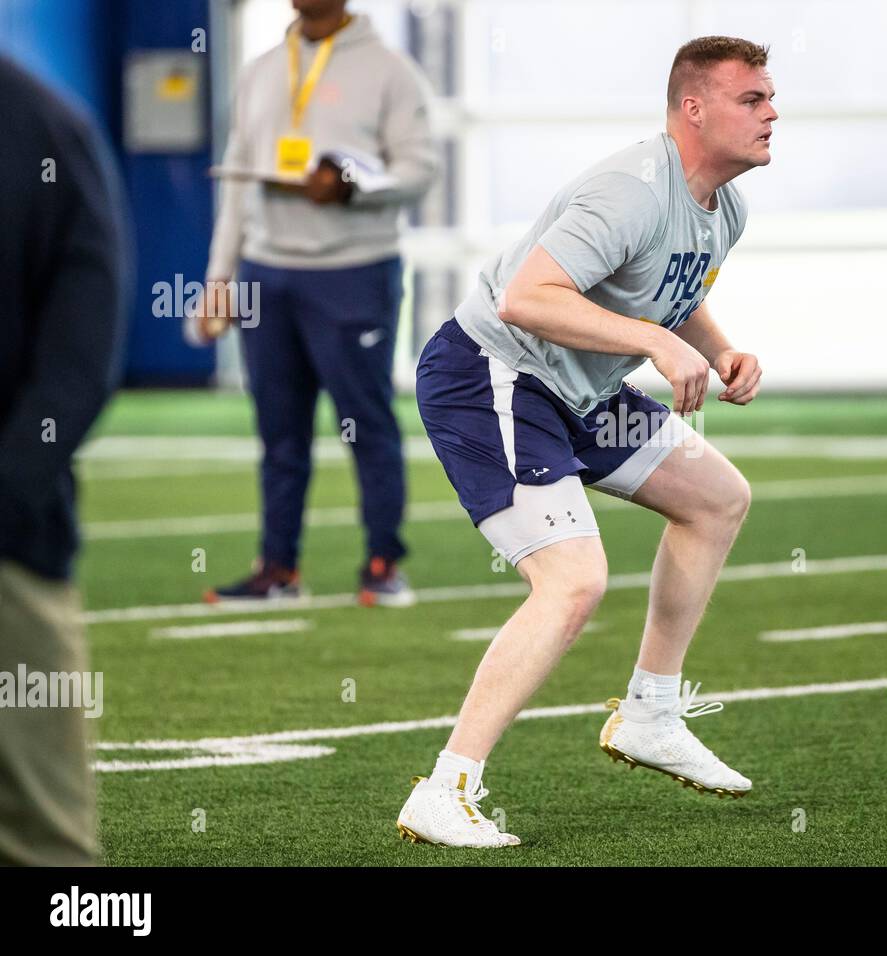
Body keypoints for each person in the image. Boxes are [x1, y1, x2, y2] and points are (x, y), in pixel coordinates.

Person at [397, 36, 775, 848]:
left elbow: (667, 289)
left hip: (582, 388)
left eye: (770, 98)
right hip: (491, 373)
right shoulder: (632, 190)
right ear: (694, 109)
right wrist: (659, 342)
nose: (772, 113)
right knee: (572, 581)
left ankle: (650, 712)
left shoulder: (727, 208)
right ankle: (446, 787)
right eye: (753, 100)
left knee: (717, 499)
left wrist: (714, 348)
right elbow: (529, 298)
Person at [194, 0, 437, 607]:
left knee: (367, 423)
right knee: (279, 432)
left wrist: (349, 185)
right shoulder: (262, 68)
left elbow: (420, 170)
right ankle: (277, 570)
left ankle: (383, 564)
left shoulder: (390, 70)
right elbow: (238, 180)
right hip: (268, 272)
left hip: (352, 271)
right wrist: (219, 276)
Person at [0, 56, 130, 864]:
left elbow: (80, 349)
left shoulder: (39, 129)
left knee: (43, 853)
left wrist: (10, 492)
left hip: (9, 549)